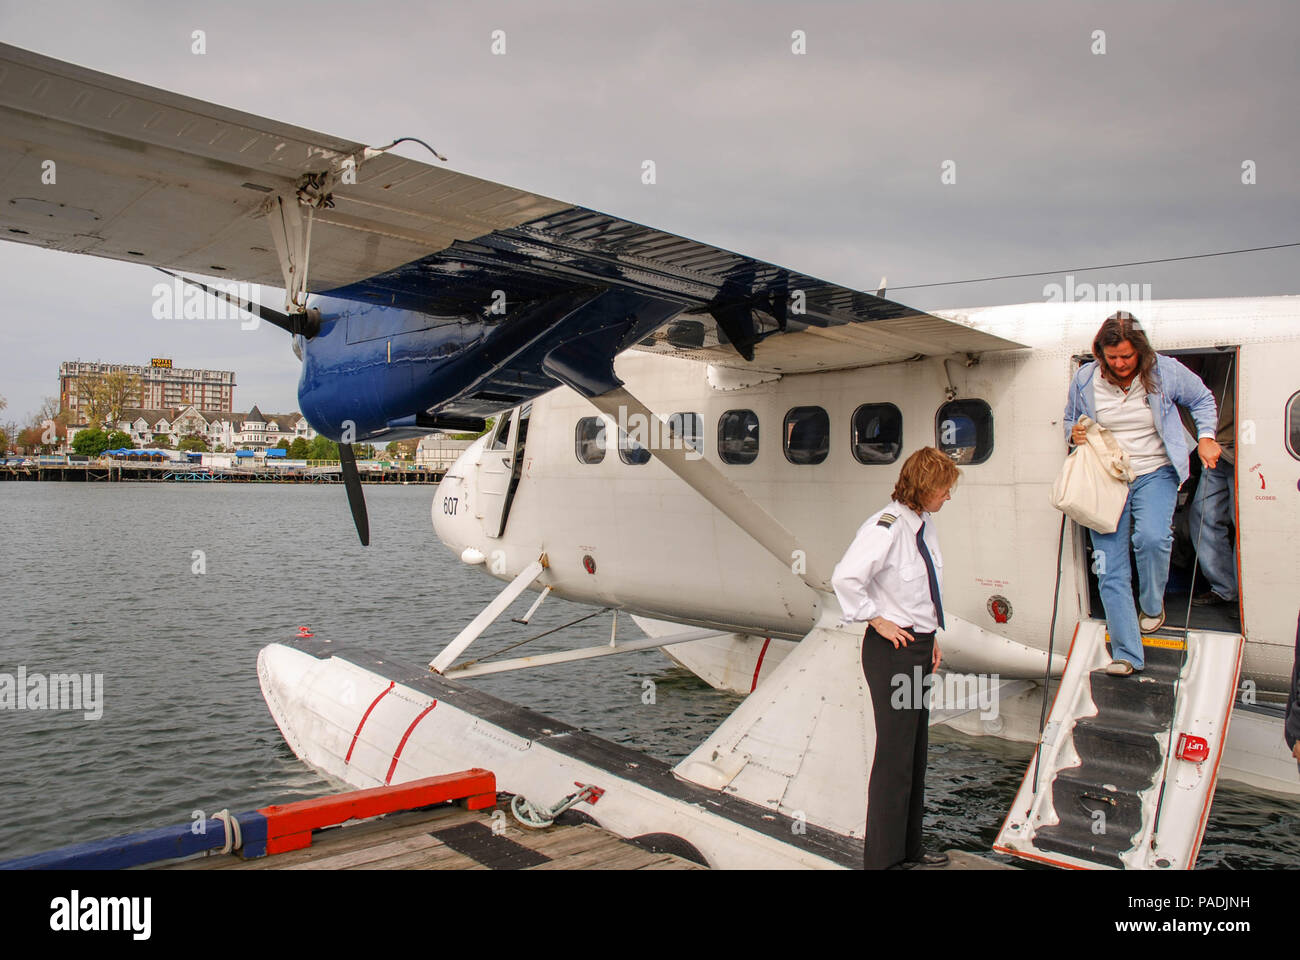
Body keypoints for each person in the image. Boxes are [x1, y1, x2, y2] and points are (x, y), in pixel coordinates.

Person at [1062, 312, 1221, 676]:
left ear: (1141, 352)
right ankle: (1127, 654)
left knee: (1150, 538)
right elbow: (1070, 419)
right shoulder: (1086, 378)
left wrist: (1207, 436)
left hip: (1156, 470)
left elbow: (1202, 399)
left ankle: (1151, 606)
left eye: (1126, 357)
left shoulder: (1165, 372)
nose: (1119, 364)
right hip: (1107, 476)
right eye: (1112, 357)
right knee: (1108, 567)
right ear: (1100, 352)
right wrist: (1074, 434)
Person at [832, 446, 959, 870]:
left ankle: (910, 851)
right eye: (943, 489)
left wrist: (932, 634)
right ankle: (884, 861)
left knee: (915, 751)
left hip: (919, 645)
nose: (948, 497)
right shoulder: (885, 526)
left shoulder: (923, 524)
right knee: (894, 757)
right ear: (923, 487)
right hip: (895, 652)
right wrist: (877, 621)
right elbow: (846, 577)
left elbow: (919, 590)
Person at [1188, 378, 1237, 608]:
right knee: (1203, 514)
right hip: (1216, 451)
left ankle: (1246, 595)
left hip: (1241, 448)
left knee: (1243, 523)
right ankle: (1225, 588)